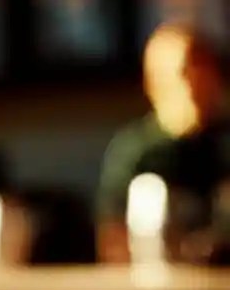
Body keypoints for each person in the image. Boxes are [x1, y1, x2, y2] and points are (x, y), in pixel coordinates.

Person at [97, 24, 230, 263]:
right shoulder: (135, 152)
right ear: (153, 83)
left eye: (202, 71)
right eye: (183, 73)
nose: (193, 85)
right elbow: (113, 238)